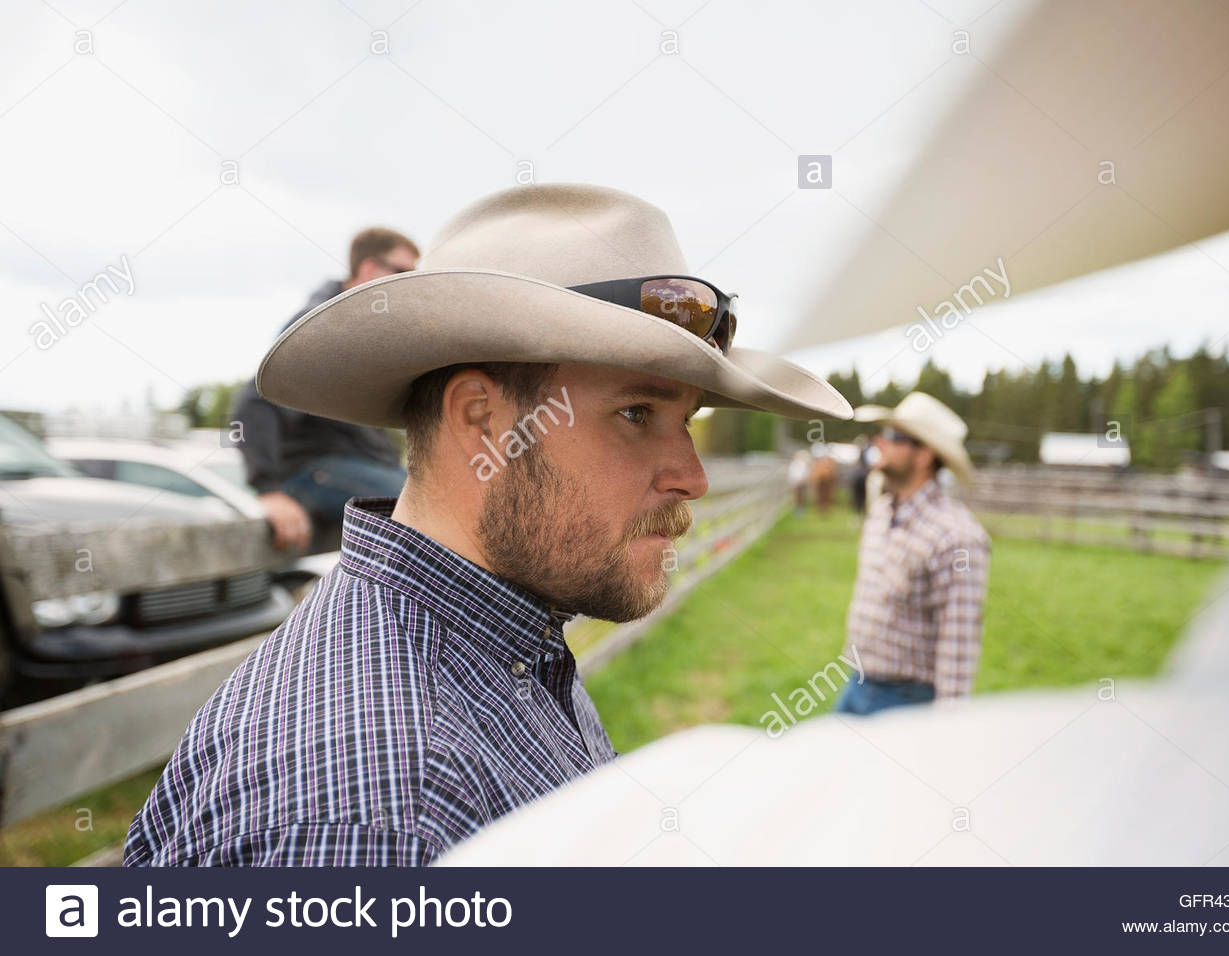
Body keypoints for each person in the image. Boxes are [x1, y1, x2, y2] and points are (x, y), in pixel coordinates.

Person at [123, 182, 852, 866]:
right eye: (637, 414)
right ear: (482, 421)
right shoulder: (387, 818)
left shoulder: (497, 638)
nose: (690, 475)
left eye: (684, 421)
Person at [231, 227, 420, 553]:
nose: (409, 285)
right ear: (370, 269)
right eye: (403, 273)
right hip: (314, 469)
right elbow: (252, 408)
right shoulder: (323, 325)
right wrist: (269, 490)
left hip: (357, 468)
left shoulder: (367, 330)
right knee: (428, 508)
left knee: (440, 494)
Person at [833, 392, 990, 717]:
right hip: (857, 683)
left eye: (894, 436)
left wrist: (948, 725)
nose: (880, 441)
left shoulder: (958, 537)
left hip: (906, 701)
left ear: (924, 456)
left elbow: (957, 646)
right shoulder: (881, 510)